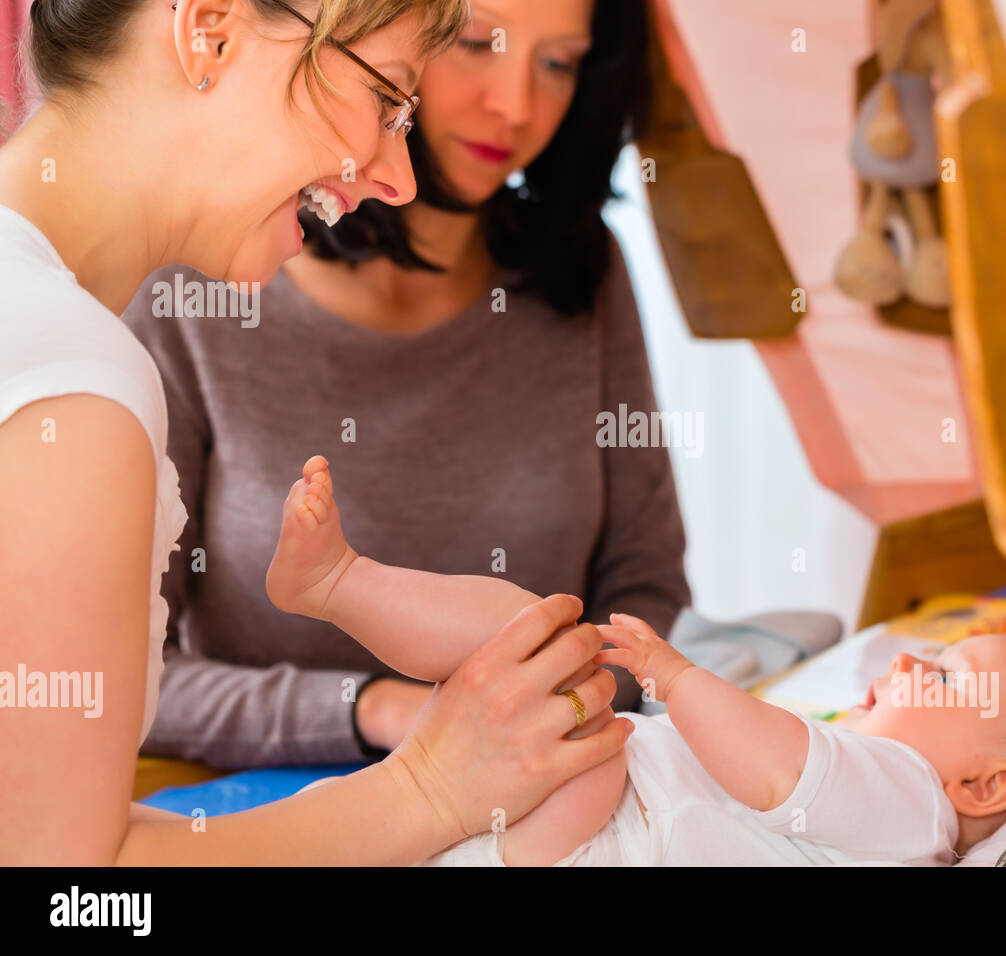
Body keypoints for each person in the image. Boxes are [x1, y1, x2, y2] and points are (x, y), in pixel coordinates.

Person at [0, 0, 628, 865]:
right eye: (386, 99)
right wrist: (432, 787)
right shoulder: (73, 386)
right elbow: (73, 897)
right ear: (209, 30)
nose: (399, 178)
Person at [121, 0, 689, 767]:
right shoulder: (191, 289)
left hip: (547, 788)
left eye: (558, 62)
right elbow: (114, 679)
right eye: (476, 42)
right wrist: (383, 713)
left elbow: (648, 594)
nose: (516, 106)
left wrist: (568, 705)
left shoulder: (584, 275)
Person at [263, 455, 1006, 865]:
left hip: (599, 832)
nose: (915, 661)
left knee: (540, 648)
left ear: (985, 787)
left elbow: (779, 769)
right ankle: (339, 584)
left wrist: (675, 678)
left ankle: (342, 582)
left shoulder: (913, 804)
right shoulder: (882, 793)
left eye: (952, 678)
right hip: (565, 824)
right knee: (535, 651)